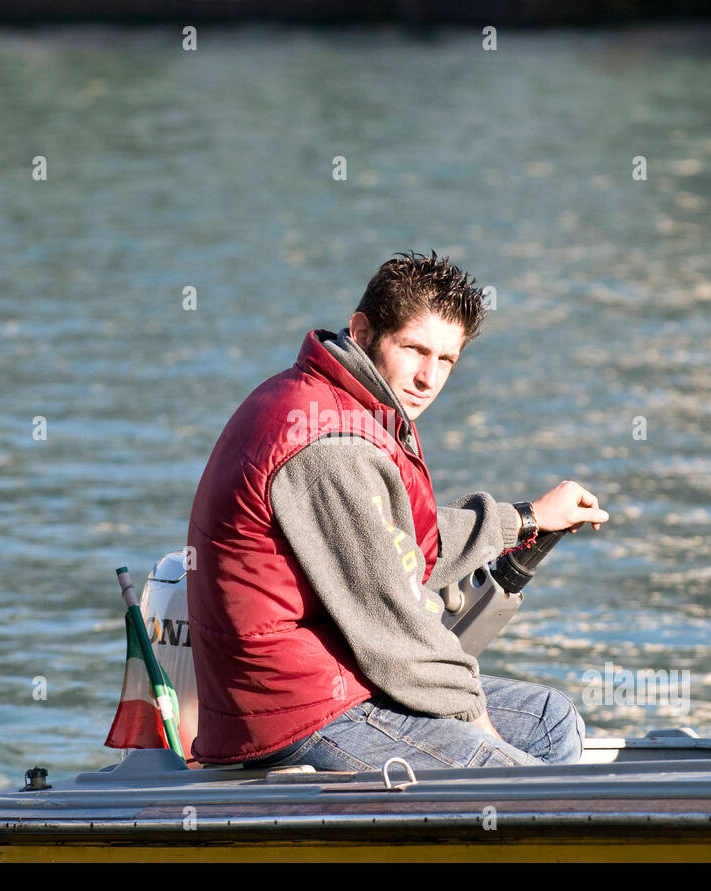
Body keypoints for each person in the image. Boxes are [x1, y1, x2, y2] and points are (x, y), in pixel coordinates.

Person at [185, 251, 608, 771]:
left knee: (550, 718)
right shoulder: (331, 443)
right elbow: (394, 621)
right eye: (415, 350)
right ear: (363, 332)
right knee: (503, 772)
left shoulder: (344, 399)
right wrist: (470, 715)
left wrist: (527, 518)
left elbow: (406, 544)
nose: (429, 378)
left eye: (447, 360)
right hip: (297, 708)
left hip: (344, 675)